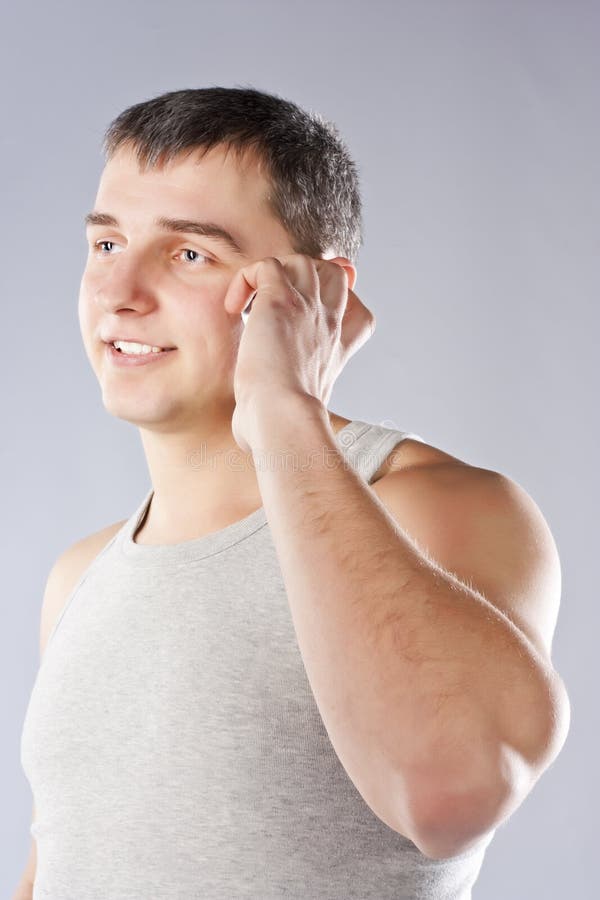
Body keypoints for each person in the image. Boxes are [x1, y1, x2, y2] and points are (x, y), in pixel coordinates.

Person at [15, 86, 570, 899]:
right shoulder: (81, 575)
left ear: (321, 290)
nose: (118, 291)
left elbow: (452, 795)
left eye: (189, 253)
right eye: (105, 244)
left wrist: (283, 409)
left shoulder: (434, 507)